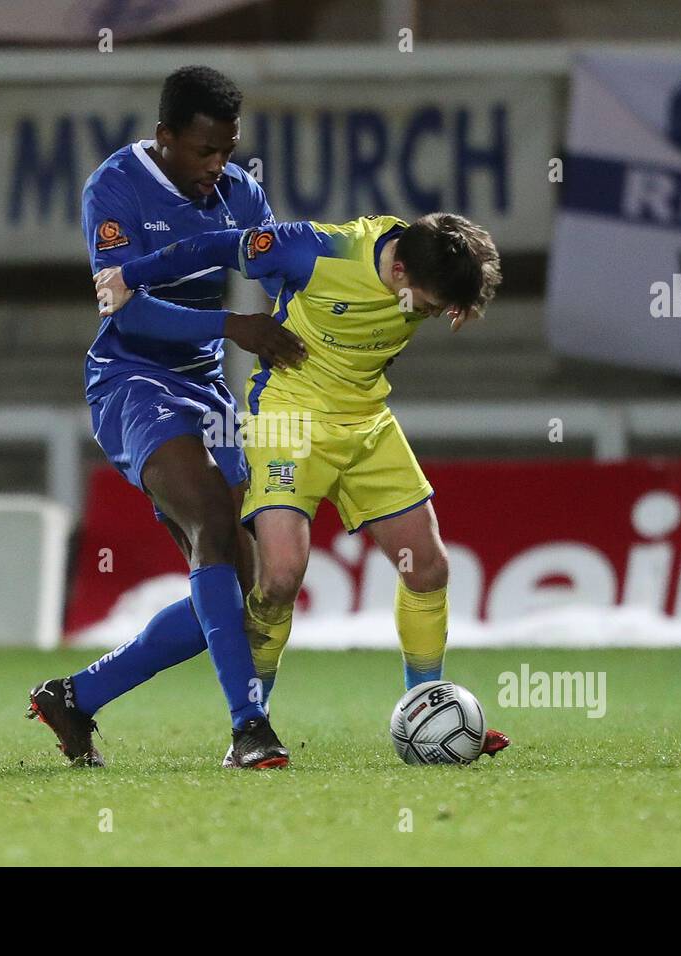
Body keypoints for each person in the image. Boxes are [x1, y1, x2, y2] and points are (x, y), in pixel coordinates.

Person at [95, 212, 511, 758]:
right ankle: (251, 729)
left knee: (429, 568)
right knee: (281, 576)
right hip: (289, 418)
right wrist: (130, 275)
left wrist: (457, 296)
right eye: (429, 303)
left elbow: (458, 262)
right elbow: (218, 245)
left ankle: (428, 707)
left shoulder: (432, 263)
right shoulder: (316, 251)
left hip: (366, 423)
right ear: (400, 267)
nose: (430, 314)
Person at [26, 66, 305, 770]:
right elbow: (126, 304)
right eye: (205, 151)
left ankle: (76, 696)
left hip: (205, 391)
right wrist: (231, 325)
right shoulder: (114, 187)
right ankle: (250, 727)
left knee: (242, 594)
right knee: (212, 518)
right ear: (166, 138)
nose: (219, 166)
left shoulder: (239, 192)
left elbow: (283, 271)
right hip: (132, 380)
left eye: (228, 150)